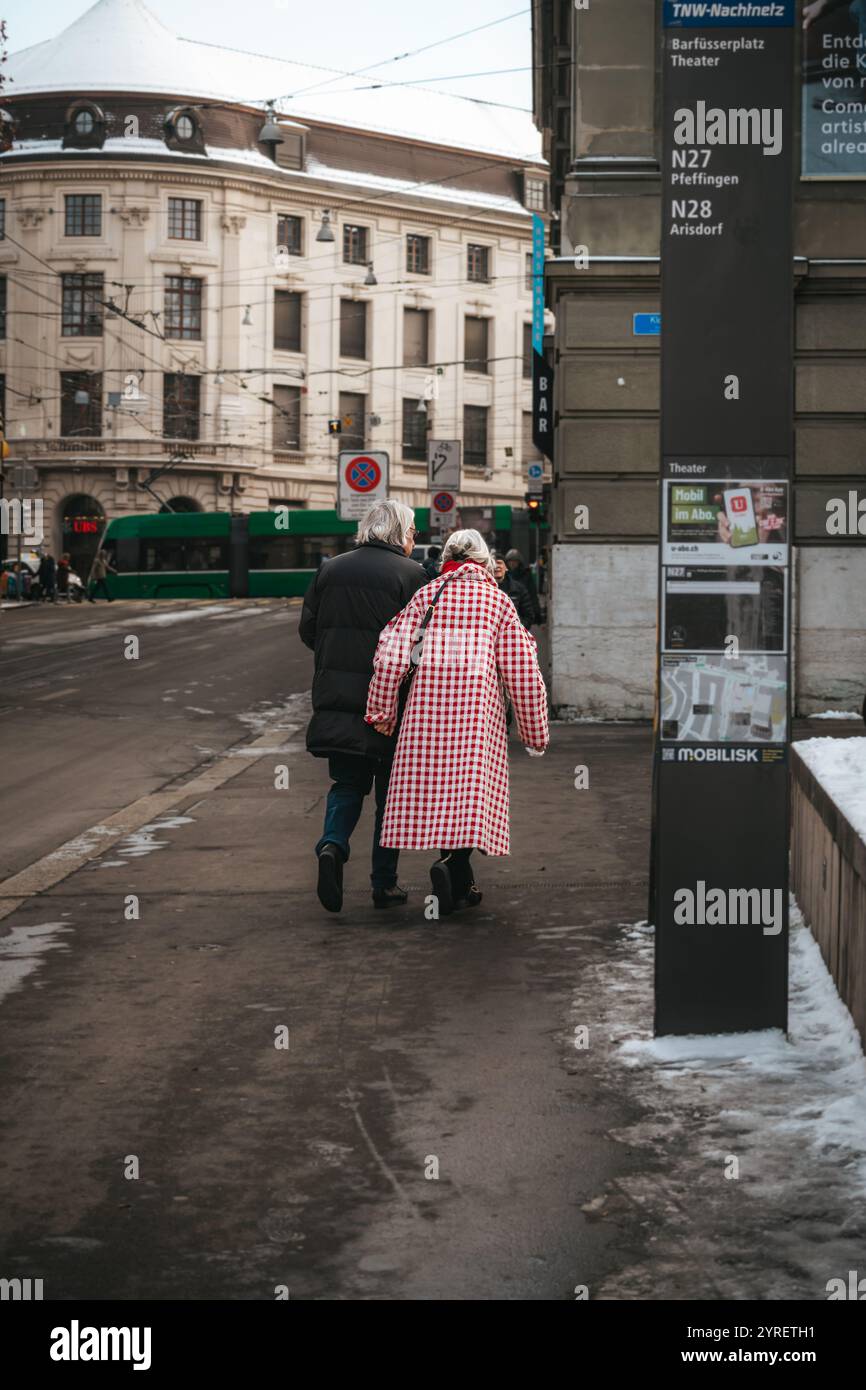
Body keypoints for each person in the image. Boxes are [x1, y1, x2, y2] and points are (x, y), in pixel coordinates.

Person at [366, 529, 549, 916]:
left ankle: (458, 881)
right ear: (483, 561)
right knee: (466, 793)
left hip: (425, 713)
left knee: (437, 791)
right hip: (476, 715)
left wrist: (382, 713)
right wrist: (534, 732)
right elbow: (522, 671)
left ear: (447, 557)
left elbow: (390, 655)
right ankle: (452, 866)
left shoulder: (426, 596)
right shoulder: (497, 602)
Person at [300, 498, 427, 913]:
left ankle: (332, 847)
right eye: (411, 532)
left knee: (348, 782)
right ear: (397, 533)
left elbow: (309, 631)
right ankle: (383, 884)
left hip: (337, 698)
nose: (414, 540)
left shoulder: (330, 569)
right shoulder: (412, 575)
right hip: (393, 703)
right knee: (391, 796)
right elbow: (423, 645)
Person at [493, 552, 534, 629]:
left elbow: (528, 616)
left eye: (500, 564)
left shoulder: (519, 589)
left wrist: (516, 630)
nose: (496, 567)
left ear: (506, 567)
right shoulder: (483, 589)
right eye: (493, 564)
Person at [505, 548, 543, 627]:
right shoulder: (504, 576)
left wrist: (536, 611)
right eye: (510, 561)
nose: (512, 563)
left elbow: (532, 594)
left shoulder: (526, 575)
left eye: (515, 561)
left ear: (519, 562)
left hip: (522, 610)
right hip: (507, 609)